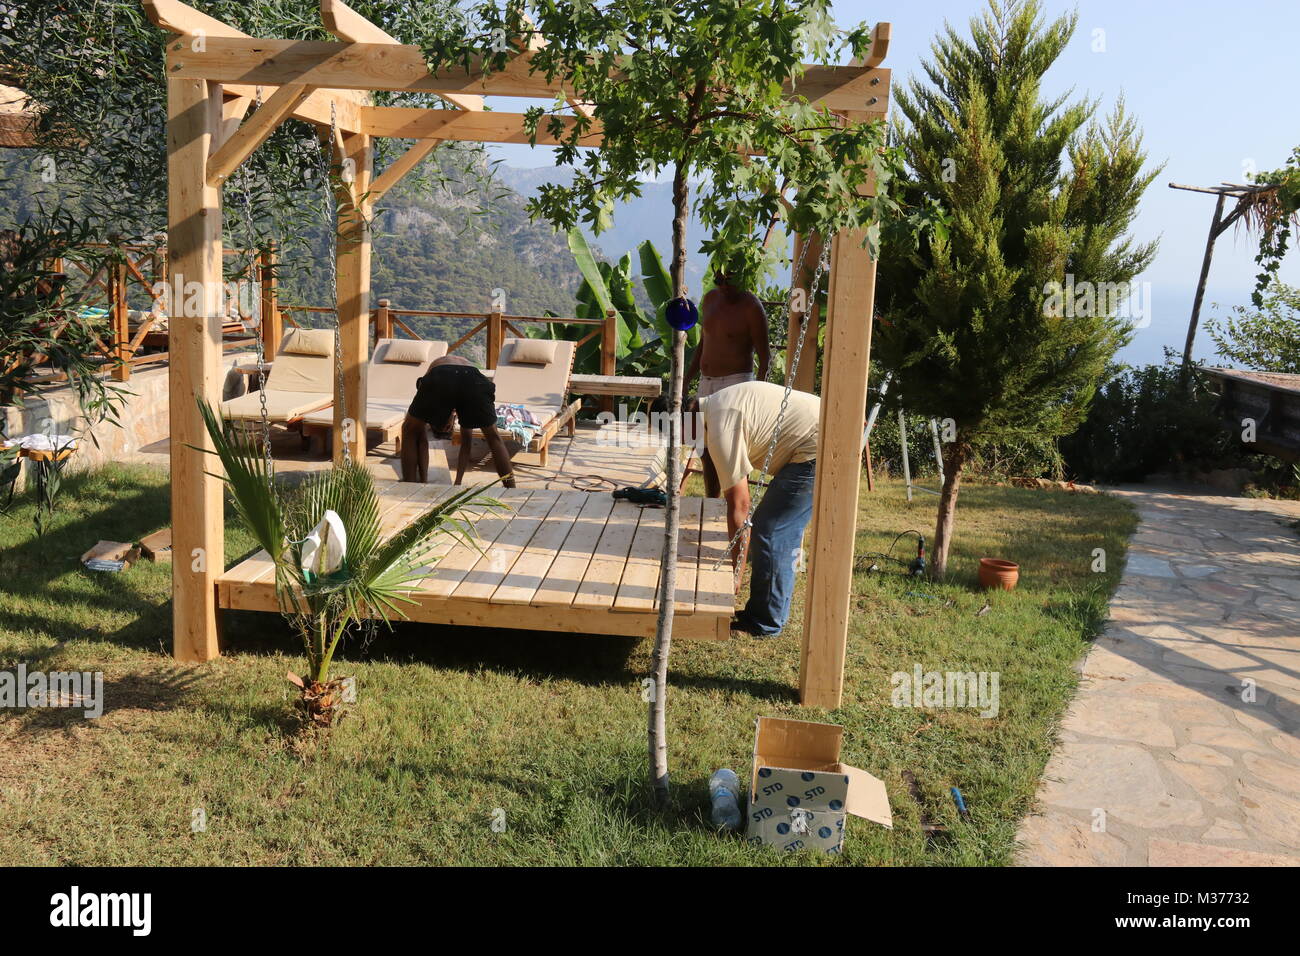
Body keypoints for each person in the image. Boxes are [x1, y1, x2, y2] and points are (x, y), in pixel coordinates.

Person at [688, 380, 819, 638]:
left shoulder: (720, 428)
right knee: (772, 528)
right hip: (819, 428)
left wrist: (735, 573)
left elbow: (740, 504)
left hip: (818, 444)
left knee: (772, 531)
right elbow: (711, 461)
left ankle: (765, 622)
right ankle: (760, 613)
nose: (685, 445)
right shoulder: (712, 407)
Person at [685, 263, 769, 496]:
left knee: (730, 450)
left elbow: (765, 358)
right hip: (706, 380)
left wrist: (758, 394)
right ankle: (711, 498)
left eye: (728, 281)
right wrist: (686, 379)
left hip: (736, 383)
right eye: (718, 281)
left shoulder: (752, 308)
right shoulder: (711, 299)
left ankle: (737, 504)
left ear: (741, 278)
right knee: (703, 446)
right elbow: (704, 342)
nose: (723, 286)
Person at [400, 354, 516, 488]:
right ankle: (511, 489)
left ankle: (408, 487)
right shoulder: (463, 410)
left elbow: (420, 435)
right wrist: (457, 482)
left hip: (443, 374)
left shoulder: (426, 382)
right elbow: (465, 442)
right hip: (474, 379)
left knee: (409, 430)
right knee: (493, 437)